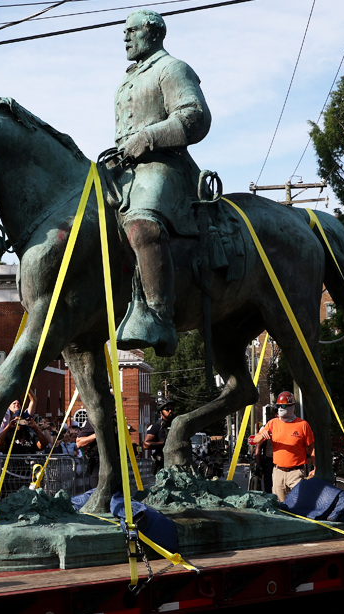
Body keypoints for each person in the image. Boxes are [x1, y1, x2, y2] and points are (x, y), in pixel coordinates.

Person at [112, 9, 211, 357]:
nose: (125, 37)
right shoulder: (128, 80)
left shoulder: (172, 69)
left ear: (153, 33)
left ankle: (160, 317)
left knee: (141, 223)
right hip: (126, 170)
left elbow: (195, 117)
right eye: (124, 32)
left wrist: (148, 138)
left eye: (132, 30)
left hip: (165, 167)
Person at [248, 391, 315, 501]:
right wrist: (261, 436)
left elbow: (312, 449)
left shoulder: (303, 425)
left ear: (291, 407)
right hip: (278, 472)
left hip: (296, 473)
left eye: (283, 406)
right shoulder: (273, 423)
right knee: (280, 505)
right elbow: (255, 439)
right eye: (278, 406)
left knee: (299, 503)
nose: (280, 409)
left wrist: (316, 468)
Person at [143, 400, 175, 474]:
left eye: (172, 409)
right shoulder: (157, 426)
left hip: (177, 462)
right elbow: (146, 444)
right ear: (161, 412)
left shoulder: (177, 425)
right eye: (167, 409)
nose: (170, 411)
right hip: (162, 464)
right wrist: (163, 444)